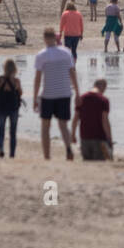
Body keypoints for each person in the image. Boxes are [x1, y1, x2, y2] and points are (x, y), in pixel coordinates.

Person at [34, 28, 80, 160]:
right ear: (55, 38)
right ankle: (68, 148)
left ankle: (47, 156)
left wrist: (35, 97)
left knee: (45, 126)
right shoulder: (66, 53)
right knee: (63, 125)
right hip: (65, 93)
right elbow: (73, 73)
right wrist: (77, 92)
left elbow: (38, 79)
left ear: (44, 39)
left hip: (48, 94)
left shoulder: (41, 55)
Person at [0, 59, 23, 158]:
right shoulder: (16, 81)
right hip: (13, 108)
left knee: (1, 131)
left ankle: (1, 149)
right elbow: (20, 93)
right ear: (14, 69)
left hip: (1, 107)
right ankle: (12, 154)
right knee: (13, 132)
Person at [77, 79, 113, 161]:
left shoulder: (82, 98)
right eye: (105, 88)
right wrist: (109, 138)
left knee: (86, 162)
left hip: (84, 138)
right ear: (102, 86)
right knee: (99, 162)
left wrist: (72, 135)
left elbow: (76, 119)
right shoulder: (104, 100)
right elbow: (105, 121)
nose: (104, 90)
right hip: (99, 138)